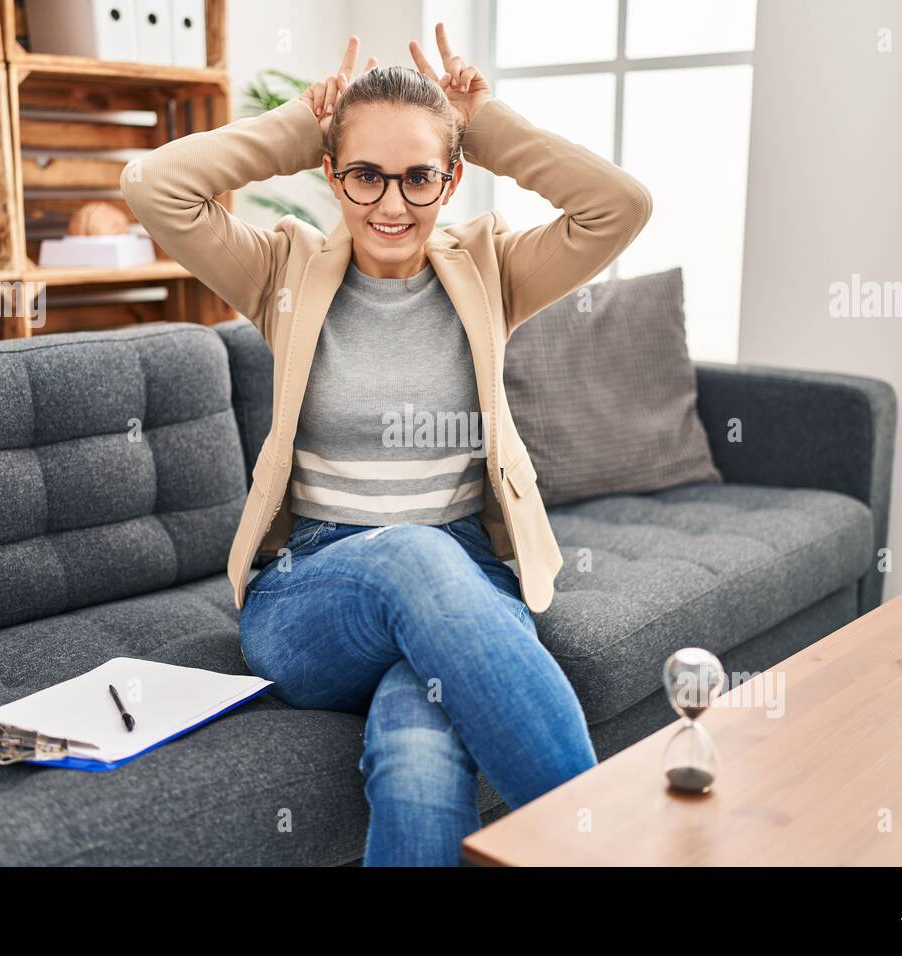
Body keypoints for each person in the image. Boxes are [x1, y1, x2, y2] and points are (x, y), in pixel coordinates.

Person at [123, 24, 653, 866]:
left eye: (419, 176)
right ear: (332, 173)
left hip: (464, 580)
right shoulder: (282, 272)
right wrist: (300, 126)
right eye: (365, 174)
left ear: (452, 176)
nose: (392, 205)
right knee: (411, 552)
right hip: (309, 598)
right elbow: (154, 185)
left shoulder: (492, 270)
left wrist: (487, 124)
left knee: (418, 751)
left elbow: (620, 207)